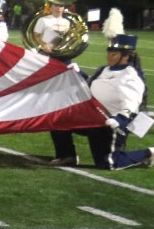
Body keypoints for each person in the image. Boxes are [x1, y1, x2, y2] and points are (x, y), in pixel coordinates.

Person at [47, 32, 152, 169]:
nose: (109, 56)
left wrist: (120, 119)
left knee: (107, 163)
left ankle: (149, 154)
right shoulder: (105, 69)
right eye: (109, 52)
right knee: (58, 119)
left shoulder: (130, 77)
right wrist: (79, 73)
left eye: (114, 54)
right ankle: (67, 155)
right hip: (93, 118)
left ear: (126, 56)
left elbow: (131, 103)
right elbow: (92, 85)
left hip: (111, 124)